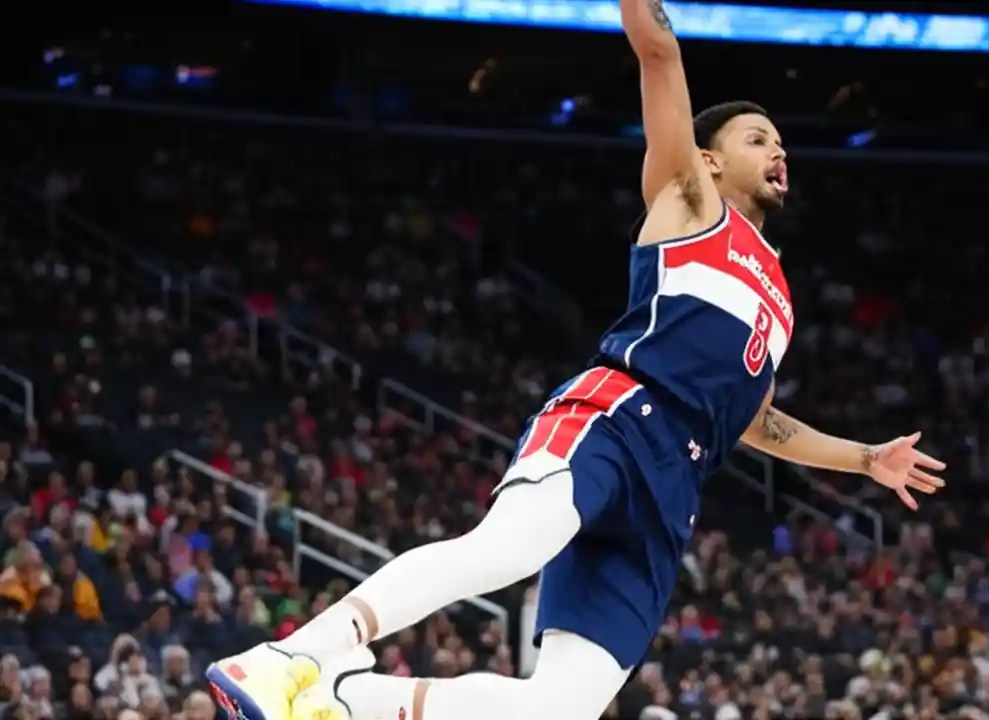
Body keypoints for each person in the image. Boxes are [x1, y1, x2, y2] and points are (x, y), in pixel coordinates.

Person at [205, 1, 947, 718]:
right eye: (759, 138)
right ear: (712, 161)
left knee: (559, 708)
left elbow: (755, 420)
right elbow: (657, 50)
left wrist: (865, 459)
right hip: (620, 416)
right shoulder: (691, 203)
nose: (779, 149)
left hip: (674, 488)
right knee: (506, 548)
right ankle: (292, 656)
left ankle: (347, 700)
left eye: (781, 141)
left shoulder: (779, 295)